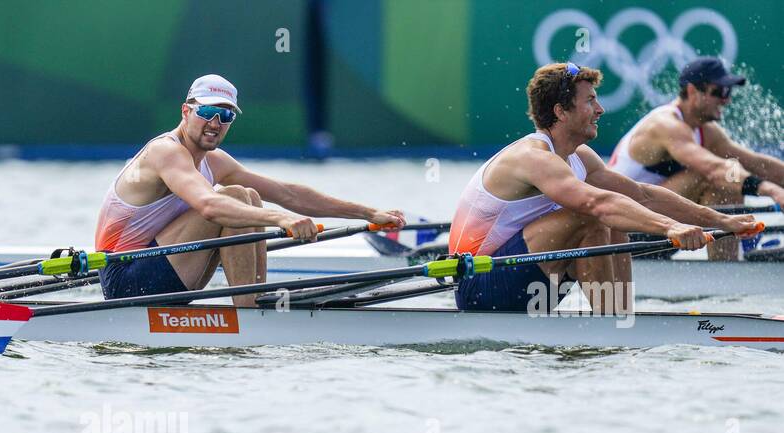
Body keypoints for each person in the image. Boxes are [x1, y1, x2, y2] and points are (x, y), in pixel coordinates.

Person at [450, 62, 757, 313]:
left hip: (522, 278)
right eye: (590, 101)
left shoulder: (579, 156)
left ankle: (622, 318)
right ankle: (614, 325)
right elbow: (597, 204)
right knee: (594, 216)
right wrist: (672, 228)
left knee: (618, 213)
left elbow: (644, 195)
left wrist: (722, 221)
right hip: (478, 286)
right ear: (560, 111)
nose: (600, 109)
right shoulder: (534, 158)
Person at [94, 74, 405, 305]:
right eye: (206, 112)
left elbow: (288, 193)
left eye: (225, 115)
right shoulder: (165, 152)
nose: (215, 122)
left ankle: (253, 302)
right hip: (125, 280)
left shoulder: (214, 161)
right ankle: (249, 311)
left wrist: (368, 212)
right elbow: (209, 206)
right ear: (186, 112)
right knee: (234, 197)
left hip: (160, 270)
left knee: (248, 194)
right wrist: (281, 220)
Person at [608, 56, 784, 259]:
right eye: (719, 92)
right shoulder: (665, 124)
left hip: (660, 224)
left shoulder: (707, 131)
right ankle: (724, 270)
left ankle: (725, 274)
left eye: (728, 92)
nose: (726, 100)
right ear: (692, 91)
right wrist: (770, 189)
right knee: (714, 177)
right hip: (621, 228)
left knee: (731, 174)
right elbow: (713, 169)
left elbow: (756, 163)